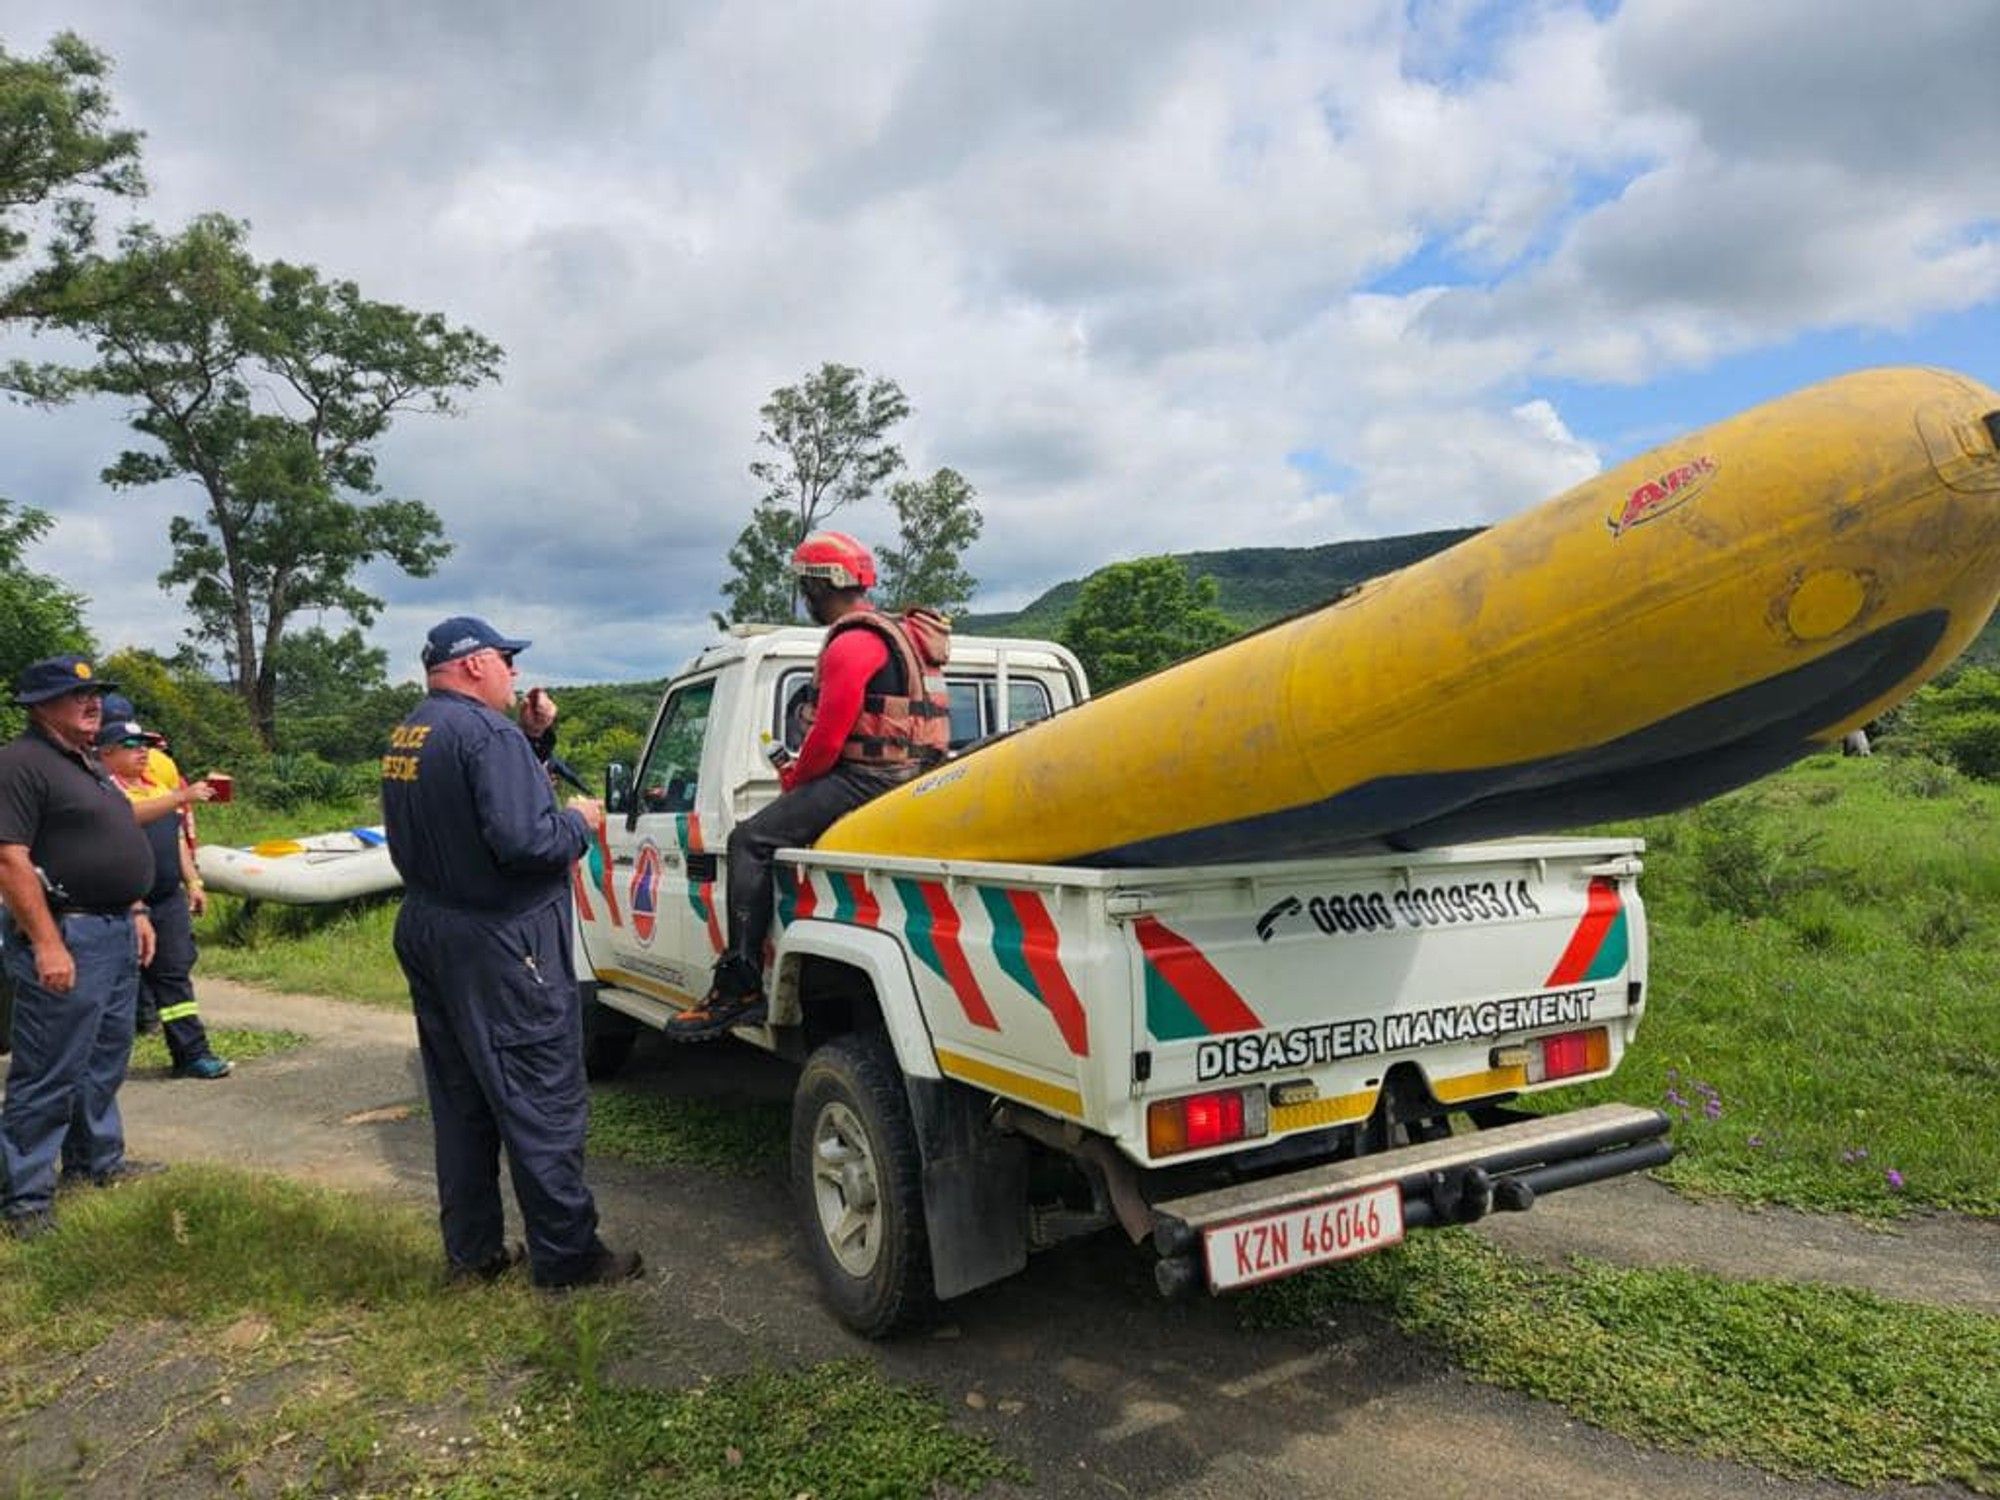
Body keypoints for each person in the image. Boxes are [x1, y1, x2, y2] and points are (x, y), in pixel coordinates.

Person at [381, 615, 641, 1289]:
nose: (515, 672)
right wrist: (578, 825)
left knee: (463, 1100)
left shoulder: (415, 730)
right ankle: (569, 1259)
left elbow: (472, 801)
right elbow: (526, 844)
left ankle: (473, 1255)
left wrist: (534, 740)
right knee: (539, 1096)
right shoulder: (485, 734)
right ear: (473, 665)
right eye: (506, 659)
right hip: (502, 940)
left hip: (433, 926)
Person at [666, 531, 951, 1040]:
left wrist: (796, 779)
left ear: (821, 586)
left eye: (806, 588)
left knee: (748, 840)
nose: (806, 600)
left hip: (866, 778)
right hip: (912, 775)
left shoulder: (851, 644)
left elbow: (827, 737)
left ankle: (740, 983)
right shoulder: (899, 635)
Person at [0, 654, 163, 1240]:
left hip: (115, 929)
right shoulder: (20, 765)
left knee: (103, 1060)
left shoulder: (87, 763)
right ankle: (25, 1198)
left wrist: (137, 909)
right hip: (68, 932)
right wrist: (47, 943)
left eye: (95, 694)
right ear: (42, 705)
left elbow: (110, 839)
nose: (92, 703)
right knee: (48, 1070)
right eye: (78, 695)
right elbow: (9, 860)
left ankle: (96, 1164)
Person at [95, 714, 233, 1080]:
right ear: (105, 753)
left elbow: (174, 840)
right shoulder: (101, 789)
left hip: (166, 899)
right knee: (112, 981)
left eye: (146, 747)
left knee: (175, 974)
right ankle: (93, 1063)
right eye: (131, 747)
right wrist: (182, 796)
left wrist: (193, 882)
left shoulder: (156, 786)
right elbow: (123, 818)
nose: (142, 753)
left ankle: (192, 1054)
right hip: (119, 902)